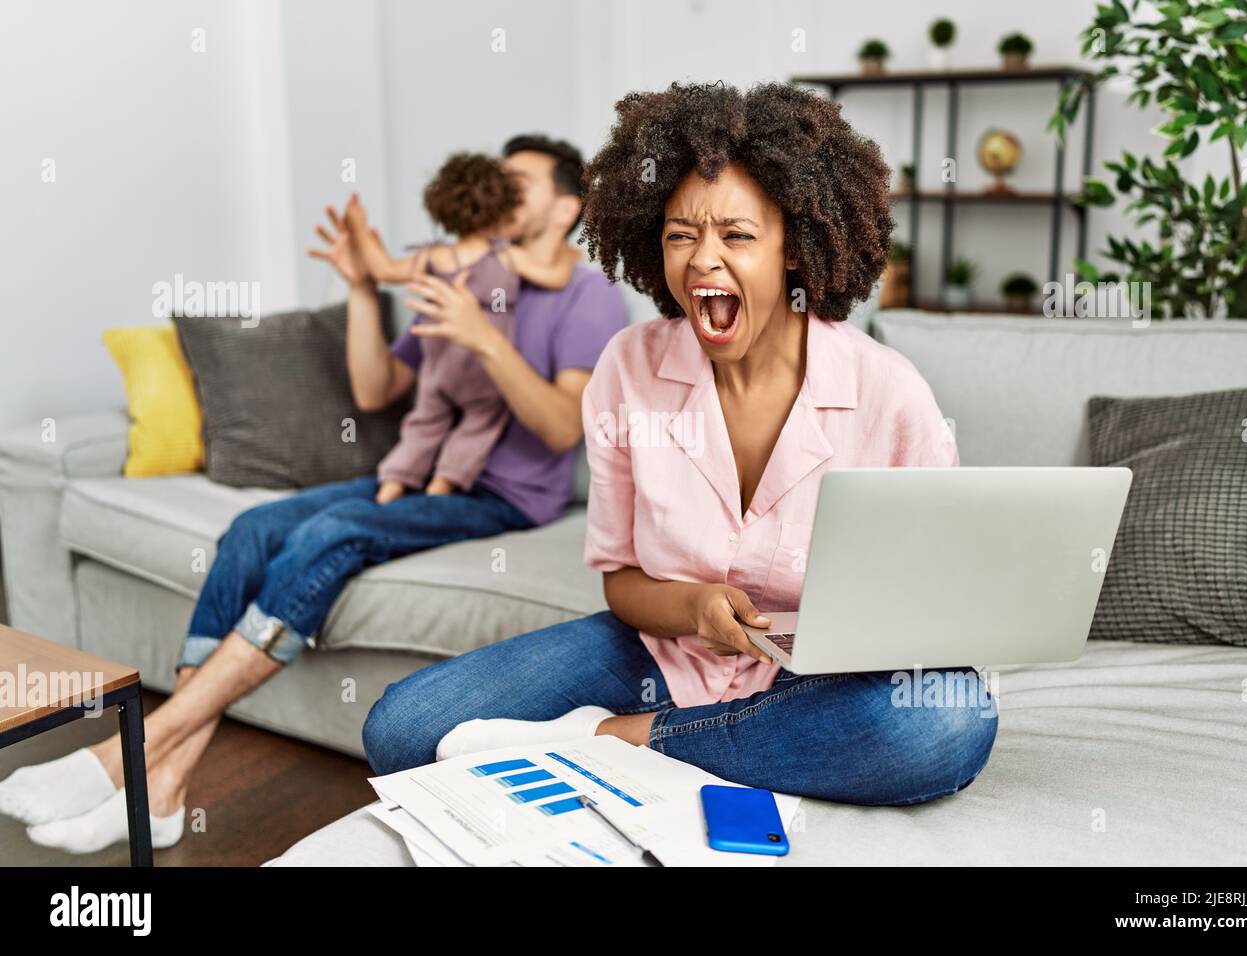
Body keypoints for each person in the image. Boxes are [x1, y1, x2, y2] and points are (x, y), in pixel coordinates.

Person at [361, 83, 999, 808]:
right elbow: (622, 580)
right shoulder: (628, 369)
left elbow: (940, 607)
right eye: (679, 234)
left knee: (948, 720)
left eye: (736, 235)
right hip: (663, 654)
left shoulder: (889, 393)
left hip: (822, 679)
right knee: (402, 731)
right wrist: (696, 607)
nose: (702, 260)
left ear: (795, 247)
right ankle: (719, 742)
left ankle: (616, 742)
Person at [0, 134, 627, 853]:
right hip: (415, 470)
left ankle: (130, 751)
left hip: (505, 494)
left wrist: (486, 341)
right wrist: (363, 285)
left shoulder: (590, 296)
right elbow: (377, 389)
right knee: (254, 529)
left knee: (330, 535)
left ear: (566, 206)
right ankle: (164, 789)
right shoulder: (464, 270)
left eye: (519, 183)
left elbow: (557, 428)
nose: (501, 192)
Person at [342, 152, 576, 502]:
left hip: (438, 368)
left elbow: (383, 270)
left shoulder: (433, 257)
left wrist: (359, 231)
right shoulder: (504, 256)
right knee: (479, 424)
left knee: (423, 423)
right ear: (503, 207)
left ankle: (392, 484)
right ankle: (443, 485)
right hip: (481, 375)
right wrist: (572, 254)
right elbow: (557, 276)